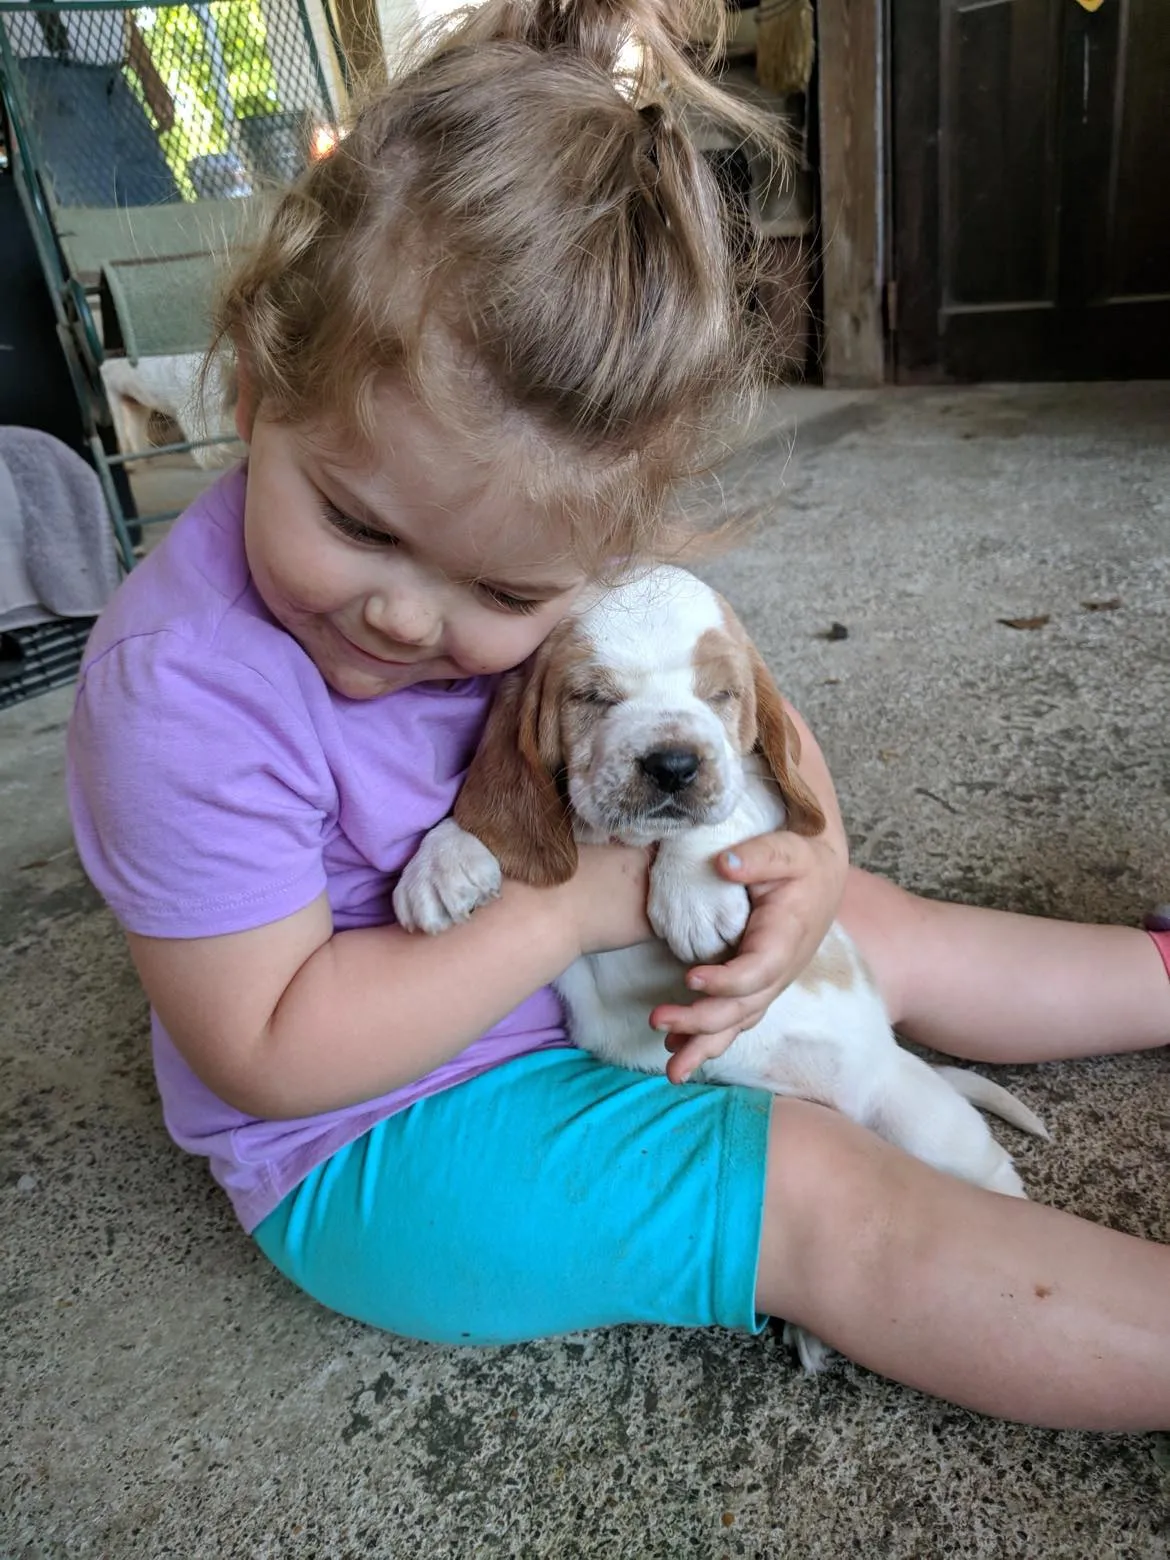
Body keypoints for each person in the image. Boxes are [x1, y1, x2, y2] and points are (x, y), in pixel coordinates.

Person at [65, 0, 1170, 1432]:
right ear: (261, 383)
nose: (408, 618)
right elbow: (269, 1050)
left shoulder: (575, 580)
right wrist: (570, 911)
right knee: (822, 1183)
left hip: (612, 953)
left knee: (866, 917)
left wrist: (815, 869)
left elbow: (761, 733)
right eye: (352, 520)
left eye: (504, 588)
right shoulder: (183, 697)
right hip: (391, 1129)